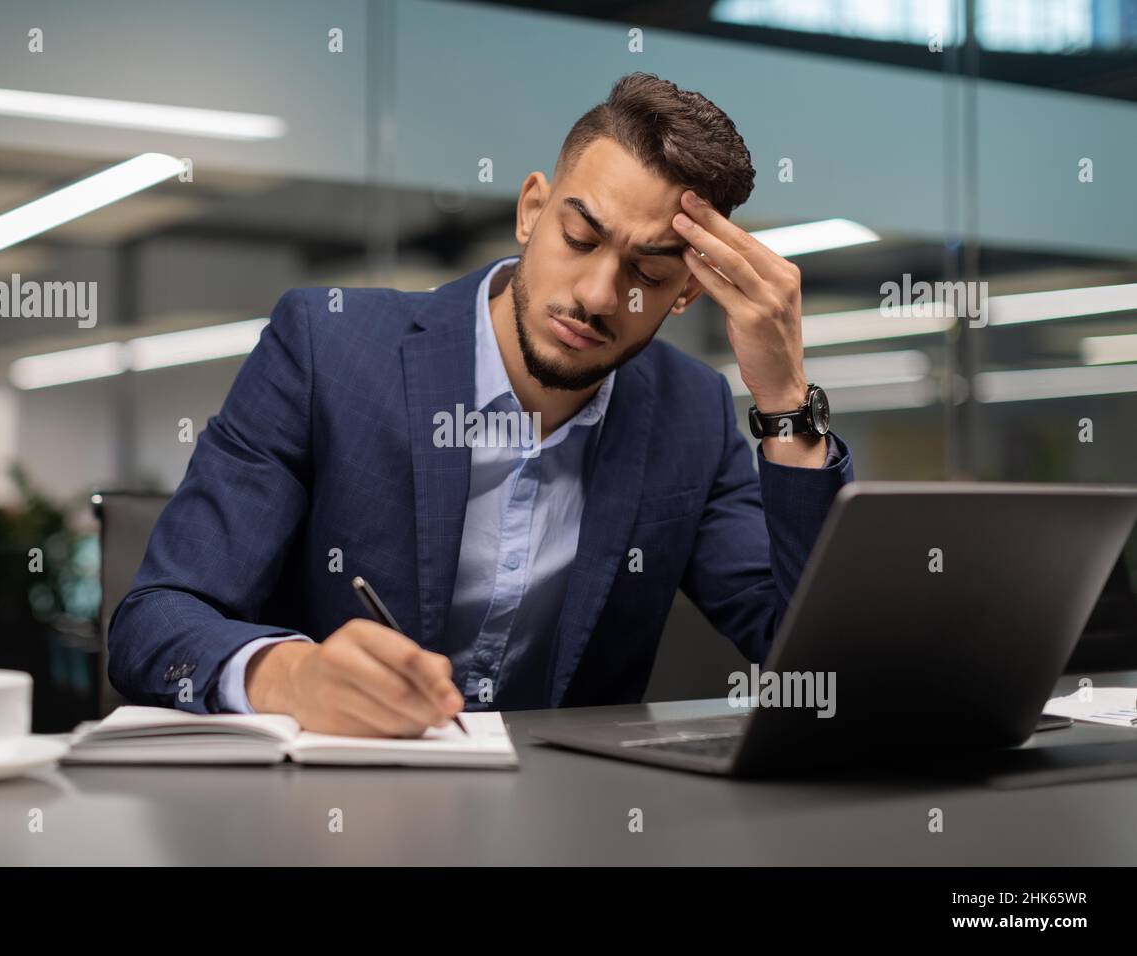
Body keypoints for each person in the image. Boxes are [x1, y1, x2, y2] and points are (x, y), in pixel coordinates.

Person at [109, 72, 854, 735]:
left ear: (688, 291)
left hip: (565, 828)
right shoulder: (326, 351)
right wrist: (289, 679)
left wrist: (785, 400)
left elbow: (816, 662)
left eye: (647, 274)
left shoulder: (690, 413)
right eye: (579, 236)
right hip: (329, 819)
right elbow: (153, 623)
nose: (596, 295)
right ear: (532, 210)